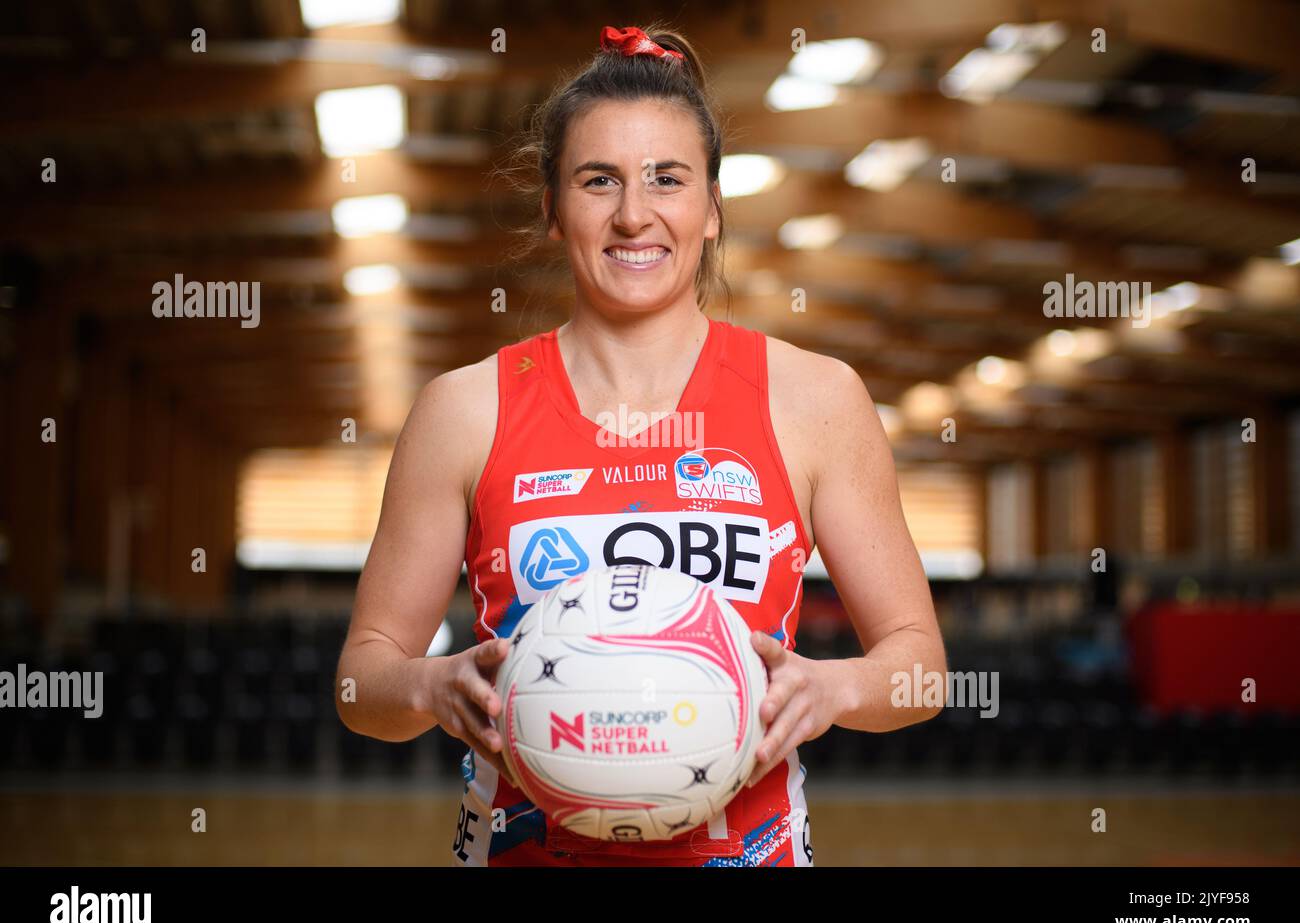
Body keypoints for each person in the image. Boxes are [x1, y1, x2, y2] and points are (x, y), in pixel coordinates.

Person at [336, 23, 946, 867]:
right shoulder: (463, 411)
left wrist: (831, 684)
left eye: (668, 178)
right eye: (598, 181)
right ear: (552, 208)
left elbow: (920, 667)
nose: (634, 214)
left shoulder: (815, 400)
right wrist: (428, 686)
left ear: (712, 208)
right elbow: (361, 683)